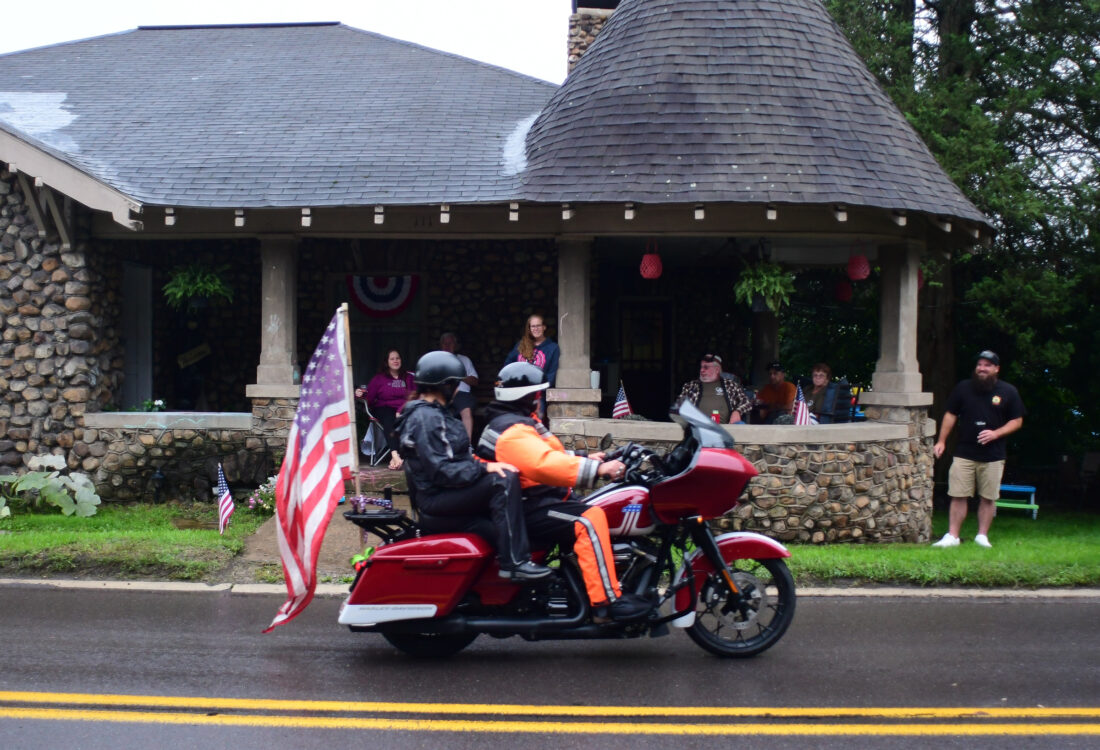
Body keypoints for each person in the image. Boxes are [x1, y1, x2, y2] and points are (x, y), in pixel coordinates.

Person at [476, 362, 650, 622]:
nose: (540, 399)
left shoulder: (518, 423)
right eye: (538, 394)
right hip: (529, 505)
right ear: (525, 396)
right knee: (589, 520)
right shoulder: (510, 431)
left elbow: (547, 452)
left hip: (538, 499)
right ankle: (605, 603)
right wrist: (599, 470)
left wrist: (588, 457)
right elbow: (543, 464)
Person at [394, 351, 551, 580]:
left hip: (445, 494)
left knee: (505, 475)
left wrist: (488, 464)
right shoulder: (426, 418)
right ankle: (514, 563)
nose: (458, 389)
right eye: (456, 384)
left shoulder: (436, 414)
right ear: (445, 385)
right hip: (437, 499)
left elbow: (459, 458)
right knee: (502, 481)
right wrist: (484, 469)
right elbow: (442, 470)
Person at [931, 350, 1025, 549]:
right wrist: (941, 441)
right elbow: (950, 414)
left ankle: (982, 536)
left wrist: (996, 433)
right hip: (964, 452)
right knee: (958, 494)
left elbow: (1017, 421)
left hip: (993, 455)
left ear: (996, 369)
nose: (982, 368)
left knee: (988, 497)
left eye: (987, 365)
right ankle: (952, 536)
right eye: (979, 365)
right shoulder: (963, 388)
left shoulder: (1008, 391)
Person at [357, 348, 414, 454]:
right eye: (392, 359)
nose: (395, 361)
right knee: (389, 417)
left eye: (397, 358)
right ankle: (395, 454)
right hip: (384, 408)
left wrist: (401, 409)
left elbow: (415, 396)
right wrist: (361, 394)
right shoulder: (379, 379)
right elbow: (369, 396)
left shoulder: (409, 377)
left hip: (405, 408)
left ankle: (408, 455)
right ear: (386, 362)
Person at [674, 353, 750, 424]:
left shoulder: (730, 385)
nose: (702, 370)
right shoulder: (691, 386)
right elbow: (678, 406)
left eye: (706, 367)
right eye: (701, 367)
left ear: (717, 370)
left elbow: (746, 402)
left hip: (725, 428)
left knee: (742, 426)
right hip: (698, 427)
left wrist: (737, 412)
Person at [439, 332, 479, 439]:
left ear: (455, 345)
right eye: (445, 343)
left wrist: (460, 376)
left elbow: (475, 381)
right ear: (441, 345)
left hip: (462, 393)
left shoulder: (464, 360)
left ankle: (467, 444)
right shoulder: (436, 360)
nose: (447, 346)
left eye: (450, 343)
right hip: (441, 394)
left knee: (466, 411)